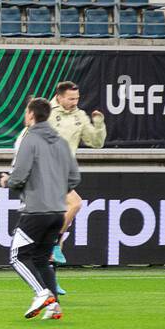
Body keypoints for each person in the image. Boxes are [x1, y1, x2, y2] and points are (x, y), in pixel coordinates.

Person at [1, 97, 80, 321]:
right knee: (42, 259)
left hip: (36, 210)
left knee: (17, 256)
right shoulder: (61, 142)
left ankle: (42, 293)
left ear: (32, 115)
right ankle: (55, 306)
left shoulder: (30, 139)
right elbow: (74, 177)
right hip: (58, 212)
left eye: (27, 112)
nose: (25, 116)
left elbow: (19, 175)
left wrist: (7, 181)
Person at [47, 81, 106, 268]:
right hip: (47, 170)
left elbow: (96, 143)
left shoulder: (79, 115)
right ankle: (54, 244)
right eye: (71, 98)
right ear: (60, 96)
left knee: (59, 218)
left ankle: (50, 280)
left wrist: (99, 123)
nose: (75, 102)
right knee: (75, 204)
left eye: (77, 98)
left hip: (65, 173)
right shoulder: (47, 112)